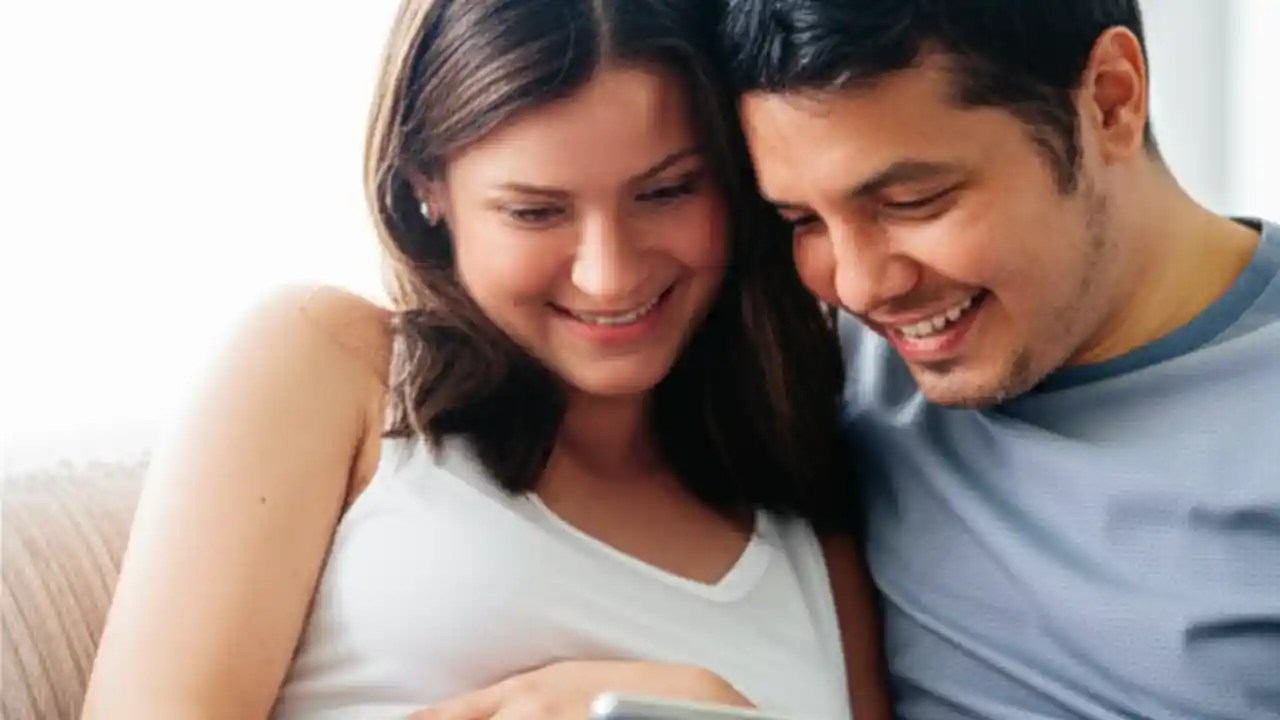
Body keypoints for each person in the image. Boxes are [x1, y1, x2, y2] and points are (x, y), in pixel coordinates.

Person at [81, 0, 893, 718]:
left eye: (667, 192)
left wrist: (705, 711)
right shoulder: (331, 363)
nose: (607, 274)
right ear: (426, 187)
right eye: (536, 211)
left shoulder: (805, 500)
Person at [717, 0, 1280, 717]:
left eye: (913, 201)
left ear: (1111, 100)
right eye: (802, 221)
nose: (860, 287)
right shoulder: (829, 372)